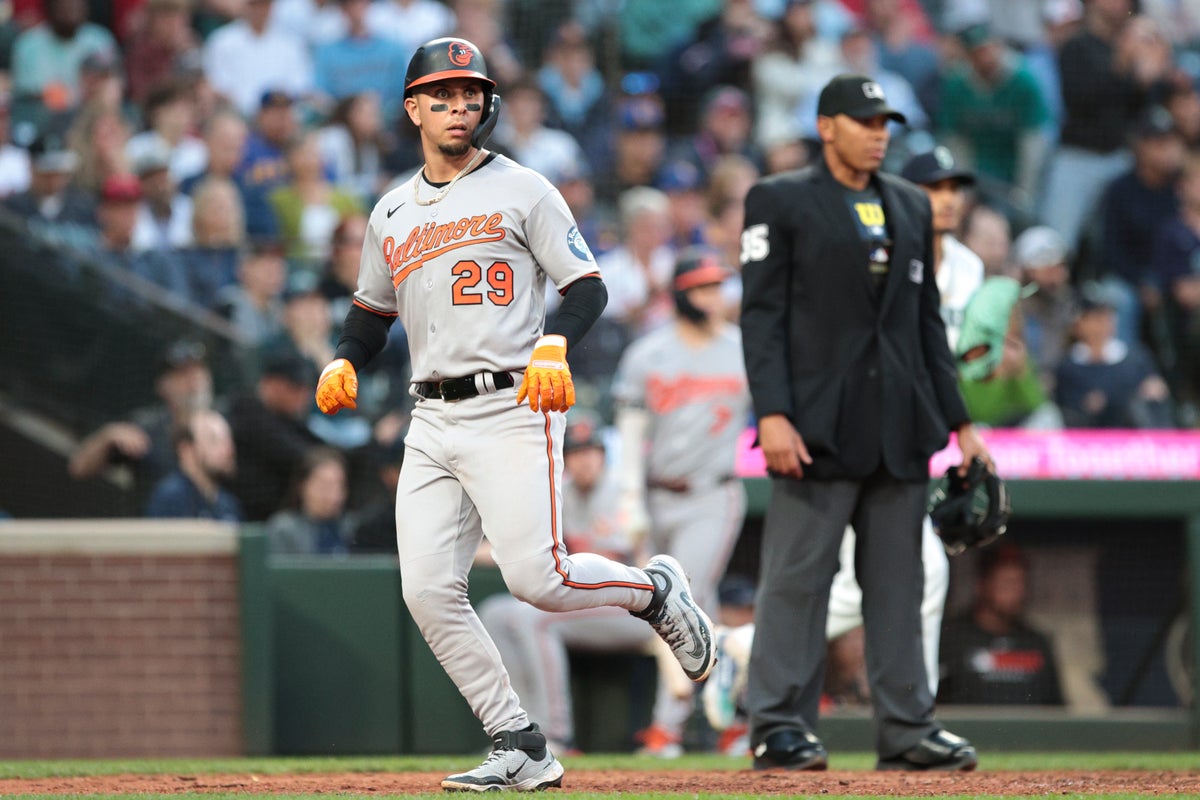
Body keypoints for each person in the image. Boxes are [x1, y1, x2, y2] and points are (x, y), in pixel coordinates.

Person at [312, 37, 717, 792]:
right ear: (413, 109)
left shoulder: (525, 187)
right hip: (430, 417)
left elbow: (588, 288)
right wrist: (343, 357)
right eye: (443, 95)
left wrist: (555, 344)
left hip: (511, 402)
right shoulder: (392, 210)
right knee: (427, 589)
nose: (460, 105)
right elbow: (370, 313)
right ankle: (520, 739)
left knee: (539, 578)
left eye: (470, 93)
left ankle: (655, 594)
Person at [737, 73, 991, 772]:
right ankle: (780, 724)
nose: (879, 132)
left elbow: (926, 326)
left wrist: (961, 424)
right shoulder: (779, 198)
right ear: (827, 127)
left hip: (898, 426)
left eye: (885, 122)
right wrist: (773, 414)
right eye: (865, 120)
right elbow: (760, 318)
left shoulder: (909, 205)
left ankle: (908, 728)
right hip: (814, 428)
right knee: (797, 583)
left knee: (899, 588)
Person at [610, 247, 751, 757]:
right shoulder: (649, 353)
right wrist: (629, 498)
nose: (714, 296)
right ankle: (734, 717)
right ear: (681, 293)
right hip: (655, 493)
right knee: (696, 606)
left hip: (713, 492)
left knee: (678, 599)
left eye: (718, 286)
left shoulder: (741, 347)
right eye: (703, 287)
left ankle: (667, 727)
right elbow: (629, 428)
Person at [477, 410, 662, 755]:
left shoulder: (624, 495)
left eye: (591, 452)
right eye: (576, 453)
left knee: (536, 617)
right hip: (585, 607)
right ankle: (520, 728)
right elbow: (519, 550)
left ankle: (555, 736)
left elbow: (645, 563)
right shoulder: (560, 493)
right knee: (498, 613)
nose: (584, 461)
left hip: (634, 610)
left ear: (603, 456)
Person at [938, 543, 1065, 706]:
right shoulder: (952, 638)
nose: (1016, 592)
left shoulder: (1036, 641)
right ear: (982, 586)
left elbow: (1056, 711)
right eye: (1007, 583)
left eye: (1021, 583)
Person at [144, 409, 242, 521]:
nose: (229, 450)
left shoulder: (228, 503)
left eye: (227, 440)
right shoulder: (171, 498)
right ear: (187, 451)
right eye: (214, 440)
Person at [265, 446, 357, 553]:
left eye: (339, 486)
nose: (334, 495)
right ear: (302, 486)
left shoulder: (354, 528)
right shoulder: (284, 529)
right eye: (324, 486)